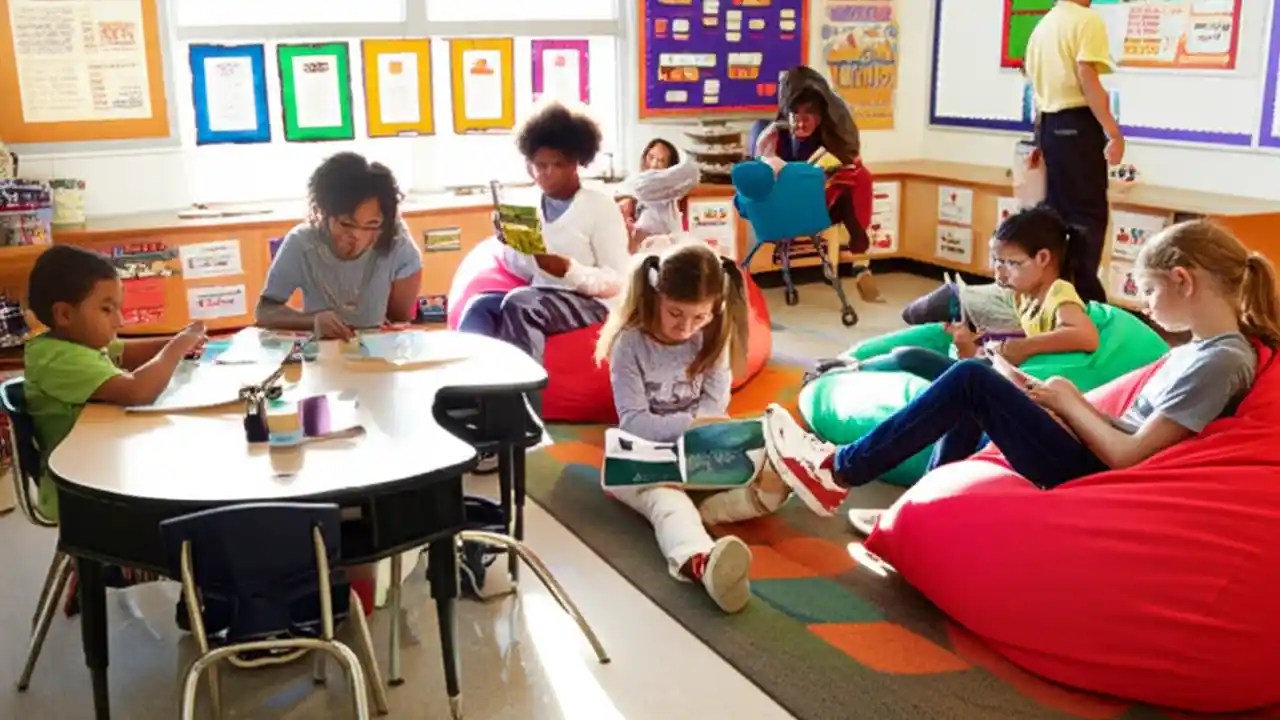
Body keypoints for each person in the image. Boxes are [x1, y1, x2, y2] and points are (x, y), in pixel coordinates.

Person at [763, 220, 1277, 517]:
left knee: (969, 380)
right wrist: (1052, 401)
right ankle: (918, 514)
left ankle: (838, 471)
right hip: (1085, 445)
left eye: (1147, 291)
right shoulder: (1203, 349)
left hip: (1096, 473)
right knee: (977, 385)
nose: (1143, 306)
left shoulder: (1221, 359)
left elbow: (1128, 457)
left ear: (1183, 281)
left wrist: (1066, 400)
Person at [595, 243, 803, 613]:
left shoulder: (713, 336)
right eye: (675, 313)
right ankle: (700, 562)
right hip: (642, 458)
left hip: (699, 450)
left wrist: (711, 435)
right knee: (667, 499)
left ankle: (706, 512)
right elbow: (635, 422)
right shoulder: (630, 343)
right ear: (655, 296)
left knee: (777, 475)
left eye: (700, 317)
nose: (686, 328)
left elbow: (715, 406)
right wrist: (694, 426)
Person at [23, 245, 206, 612]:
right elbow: (139, 391)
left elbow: (124, 350)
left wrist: (178, 341)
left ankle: (100, 567)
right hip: (87, 496)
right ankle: (108, 570)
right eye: (107, 309)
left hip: (98, 471)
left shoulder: (72, 344)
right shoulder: (60, 358)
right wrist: (178, 346)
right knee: (200, 510)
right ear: (64, 314)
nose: (118, 320)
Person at [812, 206, 1100, 383]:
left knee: (908, 357)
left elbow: (1085, 335)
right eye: (997, 262)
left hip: (1011, 385)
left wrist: (1020, 348)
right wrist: (974, 347)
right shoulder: (1023, 297)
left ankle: (850, 370)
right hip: (1000, 372)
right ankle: (853, 367)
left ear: (1043, 258)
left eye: (1011, 264)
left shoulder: (1059, 292)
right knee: (923, 355)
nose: (999, 274)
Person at [456, 103, 631, 371]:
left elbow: (618, 280)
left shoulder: (600, 206)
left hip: (591, 302)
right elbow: (523, 269)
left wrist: (570, 271)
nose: (546, 173)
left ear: (576, 163)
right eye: (540, 165)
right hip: (540, 294)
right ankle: (466, 383)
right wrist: (510, 243)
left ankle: (522, 398)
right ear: (529, 165)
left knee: (521, 304)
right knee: (480, 305)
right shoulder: (527, 205)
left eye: (557, 164)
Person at [255, 152, 423, 339]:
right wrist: (313, 320)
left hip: (377, 352)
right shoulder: (302, 243)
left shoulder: (398, 244)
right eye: (346, 224)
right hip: (324, 350)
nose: (358, 237)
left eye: (372, 225)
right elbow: (264, 312)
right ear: (323, 213)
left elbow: (400, 319)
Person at [1025, 0, 1123, 304]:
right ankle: (1085, 301)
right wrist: (1113, 132)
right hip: (1077, 125)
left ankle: (1054, 297)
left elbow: (1035, 89)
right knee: (1086, 216)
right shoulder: (1086, 20)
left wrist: (1038, 139)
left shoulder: (1043, 26)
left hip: (1050, 126)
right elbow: (1087, 75)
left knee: (1055, 215)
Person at [755, 65, 880, 302]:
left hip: (826, 198)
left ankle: (860, 260)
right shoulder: (772, 132)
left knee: (859, 178)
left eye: (807, 118)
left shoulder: (835, 126)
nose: (801, 125)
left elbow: (849, 159)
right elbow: (763, 170)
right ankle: (860, 257)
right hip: (789, 200)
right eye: (796, 118)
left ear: (820, 117)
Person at [616, 138, 699, 251]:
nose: (654, 164)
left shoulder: (667, 188)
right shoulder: (638, 183)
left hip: (662, 247)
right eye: (651, 157)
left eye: (661, 161)